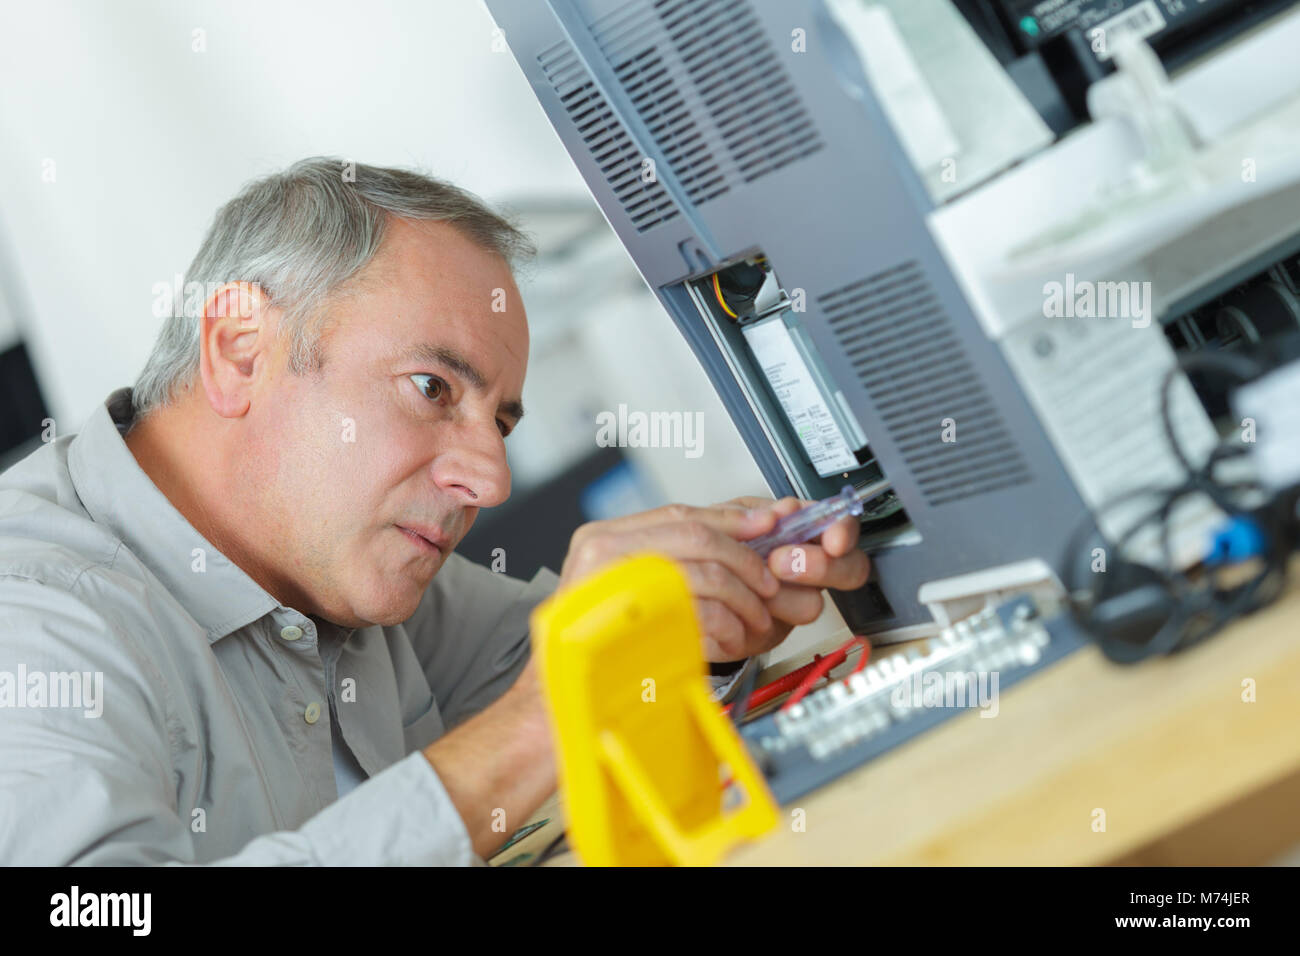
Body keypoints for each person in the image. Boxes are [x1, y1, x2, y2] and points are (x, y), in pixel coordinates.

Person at [0, 158, 869, 865]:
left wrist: (696, 611)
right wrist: (543, 721)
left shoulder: (333, 566)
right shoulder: (32, 616)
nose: (489, 480)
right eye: (431, 388)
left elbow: (577, 662)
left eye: (499, 421)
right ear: (239, 351)